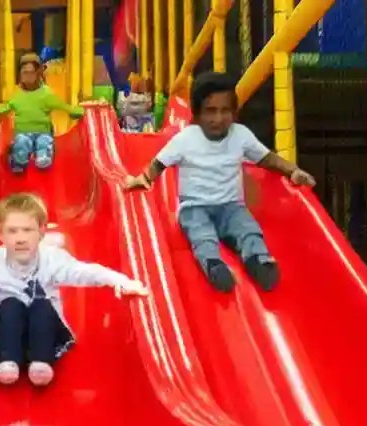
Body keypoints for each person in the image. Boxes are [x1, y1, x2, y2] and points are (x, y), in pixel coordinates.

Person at [0, 192, 148, 387]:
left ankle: (41, 362)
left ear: (42, 233)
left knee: (41, 304)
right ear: (0, 235)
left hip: (45, 332)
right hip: (5, 334)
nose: (20, 238)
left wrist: (120, 281)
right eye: (12, 231)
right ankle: (7, 362)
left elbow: (86, 272)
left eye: (27, 230)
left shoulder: (53, 260)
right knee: (11, 305)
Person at [125, 72, 314, 293]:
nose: (218, 118)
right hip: (195, 207)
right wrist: (142, 179)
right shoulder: (186, 139)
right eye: (210, 111)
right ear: (196, 115)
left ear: (234, 113)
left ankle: (258, 260)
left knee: (248, 228)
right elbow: (159, 163)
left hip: (231, 206)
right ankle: (213, 265)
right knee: (200, 233)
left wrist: (292, 171)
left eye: (225, 111)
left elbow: (267, 159)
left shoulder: (241, 135)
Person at [0, 53, 85, 174]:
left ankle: (43, 158)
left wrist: (79, 111)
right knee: (21, 142)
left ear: (38, 74)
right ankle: (19, 162)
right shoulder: (18, 96)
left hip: (42, 132)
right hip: (23, 133)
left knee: (44, 141)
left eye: (31, 73)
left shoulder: (46, 95)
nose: (27, 77)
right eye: (24, 73)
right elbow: (4, 108)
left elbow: (63, 106)